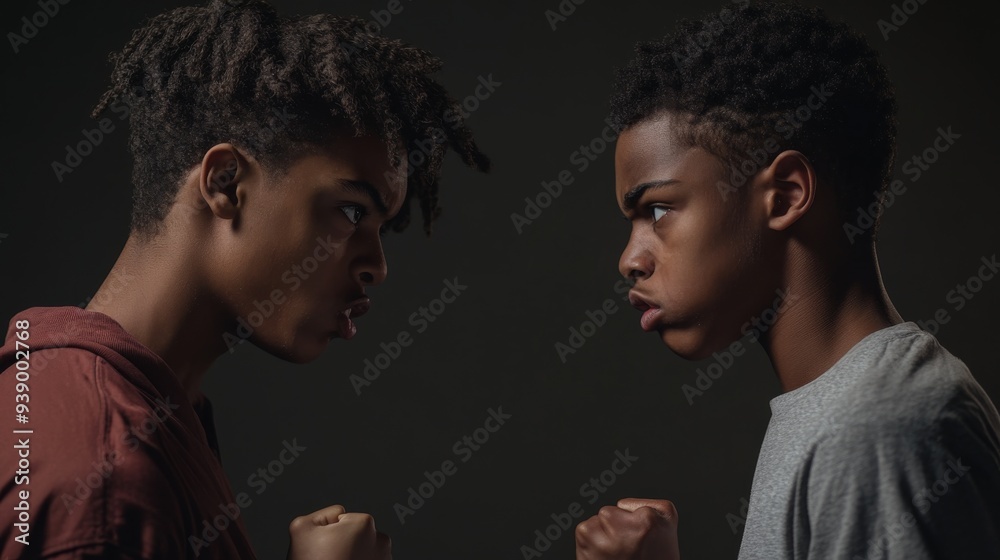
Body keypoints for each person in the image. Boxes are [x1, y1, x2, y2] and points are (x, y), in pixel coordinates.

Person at [0, 0, 489, 558]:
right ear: (226, 183)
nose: (377, 266)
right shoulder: (106, 480)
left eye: (381, 228)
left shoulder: (128, 407)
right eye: (352, 211)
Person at [575, 2, 1000, 558]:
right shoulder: (843, 410)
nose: (630, 259)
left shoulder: (873, 429)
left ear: (785, 195)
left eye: (657, 211)